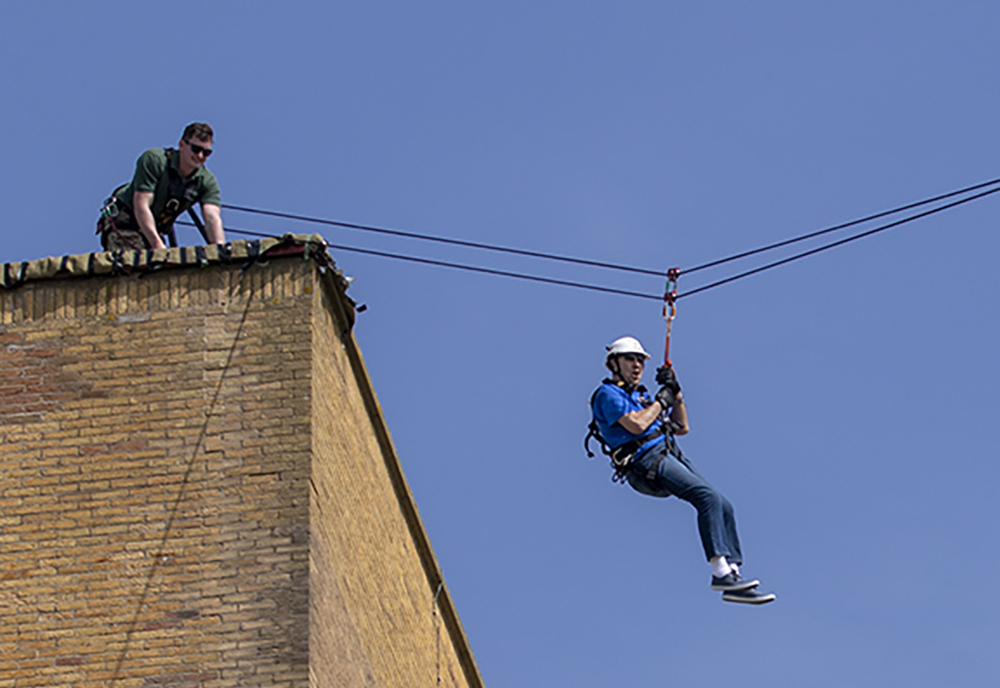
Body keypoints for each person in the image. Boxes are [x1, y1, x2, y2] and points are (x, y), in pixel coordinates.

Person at [589, 336, 775, 605]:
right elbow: (638, 425)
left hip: (668, 451)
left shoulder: (639, 395)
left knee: (723, 504)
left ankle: (733, 572)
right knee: (706, 499)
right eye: (630, 359)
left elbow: (681, 426)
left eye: (640, 360)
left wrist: (675, 395)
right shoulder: (608, 395)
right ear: (613, 363)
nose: (637, 365)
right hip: (645, 460)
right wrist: (661, 402)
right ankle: (719, 572)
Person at [97, 123, 225, 251]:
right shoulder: (154, 160)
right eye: (196, 149)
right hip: (127, 222)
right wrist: (158, 245)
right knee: (134, 264)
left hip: (155, 229)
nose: (200, 156)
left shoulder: (206, 181)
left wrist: (222, 253)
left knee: (158, 266)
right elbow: (141, 205)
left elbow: (212, 218)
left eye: (206, 152)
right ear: (181, 145)